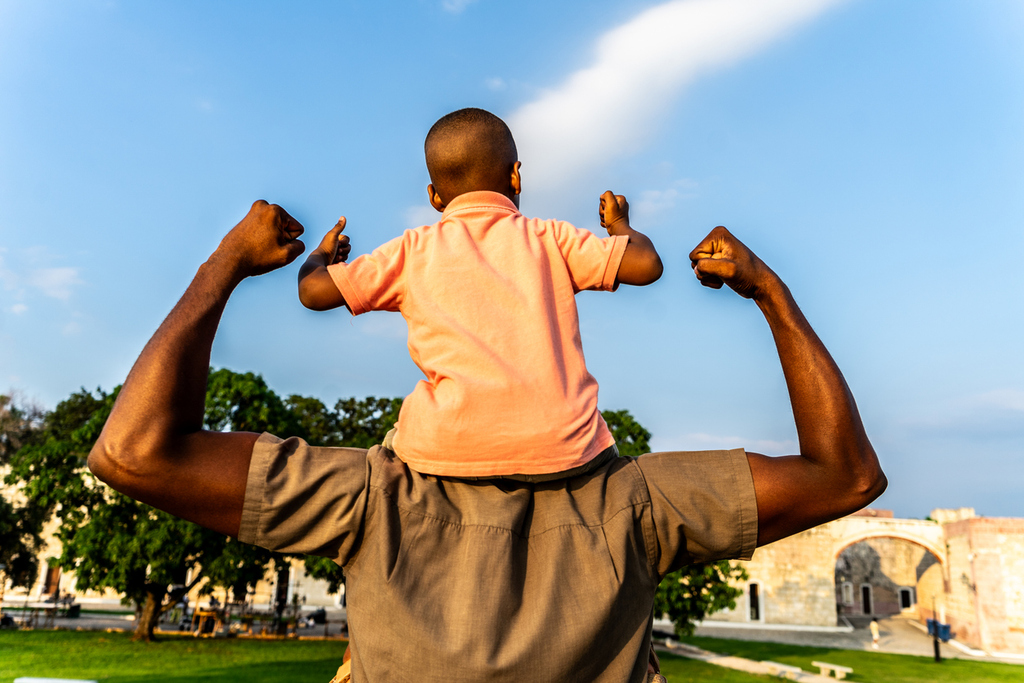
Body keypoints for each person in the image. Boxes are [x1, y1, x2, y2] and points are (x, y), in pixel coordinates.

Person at [87, 200, 886, 682]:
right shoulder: (640, 508)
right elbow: (845, 475)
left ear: (436, 198)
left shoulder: (367, 500)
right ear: (516, 185)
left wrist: (227, 262)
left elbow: (133, 452)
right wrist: (766, 290)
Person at [297, 108, 663, 478]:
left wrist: (322, 256)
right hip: (565, 448)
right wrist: (619, 224)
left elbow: (312, 292)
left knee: (395, 446)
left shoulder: (411, 250)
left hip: (447, 446)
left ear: (434, 197)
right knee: (602, 449)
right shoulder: (551, 238)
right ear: (515, 177)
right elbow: (646, 264)